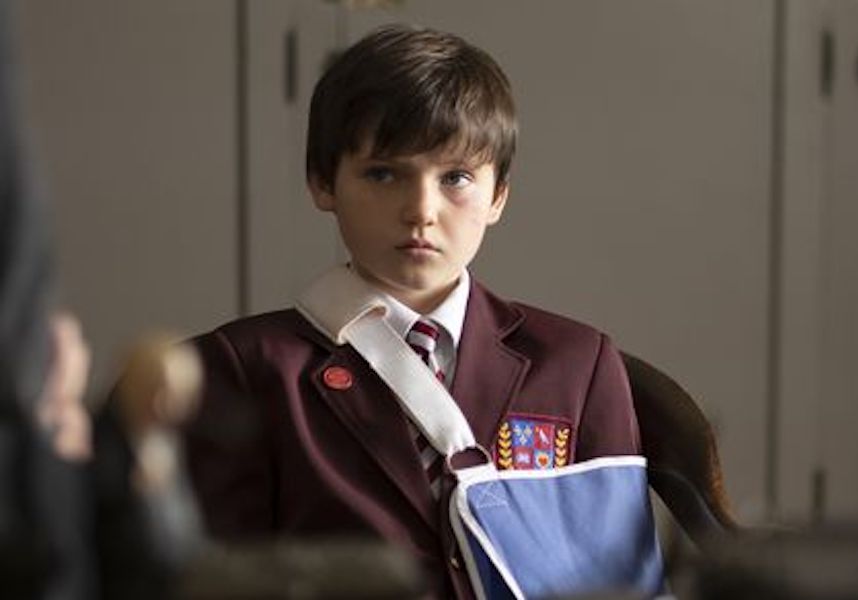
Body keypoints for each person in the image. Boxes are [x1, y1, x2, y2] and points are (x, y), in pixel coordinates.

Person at [182, 24, 643, 599]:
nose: (421, 210)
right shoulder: (242, 369)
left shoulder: (577, 363)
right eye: (383, 173)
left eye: (456, 178)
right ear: (323, 182)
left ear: (498, 195)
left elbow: (621, 581)